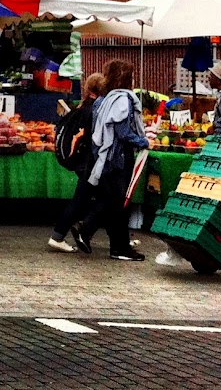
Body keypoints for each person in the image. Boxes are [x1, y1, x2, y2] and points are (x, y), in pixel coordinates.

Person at [73, 59, 148, 261]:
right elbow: (123, 133)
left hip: (102, 157)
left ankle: (118, 246)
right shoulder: (122, 100)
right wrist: (143, 141)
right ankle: (88, 228)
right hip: (119, 157)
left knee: (114, 201)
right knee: (117, 201)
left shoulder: (103, 100)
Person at [46, 73, 106, 253]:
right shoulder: (94, 110)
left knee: (101, 198)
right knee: (89, 200)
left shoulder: (82, 107)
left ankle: (119, 240)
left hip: (82, 161)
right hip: (89, 162)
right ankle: (58, 236)